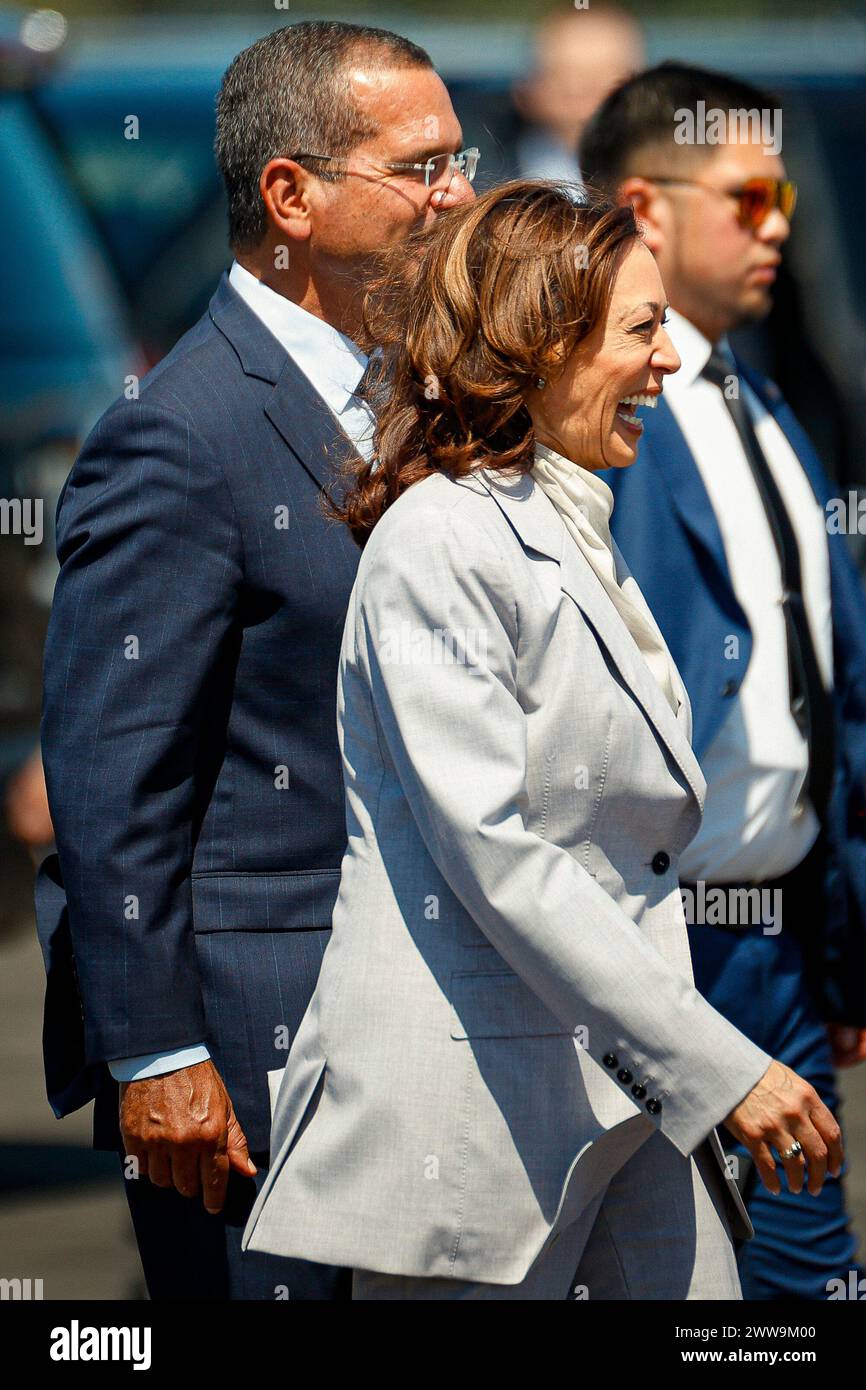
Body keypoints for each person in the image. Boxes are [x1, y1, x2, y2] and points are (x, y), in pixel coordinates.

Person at [242, 181, 842, 1300]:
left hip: (625, 1094)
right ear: (536, 343)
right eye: (638, 329)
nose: (668, 361)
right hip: (480, 1124)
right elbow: (497, 854)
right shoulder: (441, 540)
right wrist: (716, 1063)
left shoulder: (565, 513)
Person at [35, 19, 475, 1301]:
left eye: (460, 158)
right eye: (420, 166)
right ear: (290, 194)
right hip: (250, 1040)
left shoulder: (399, 394)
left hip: (406, 1012)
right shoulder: (179, 437)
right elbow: (115, 776)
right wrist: (158, 1049)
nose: (456, 195)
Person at [581, 62, 866, 1300]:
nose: (779, 223)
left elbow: (824, 693)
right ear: (644, 208)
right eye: (748, 198)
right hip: (649, 956)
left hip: (782, 947)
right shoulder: (593, 411)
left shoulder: (760, 401)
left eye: (784, 195)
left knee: (799, 1291)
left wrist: (839, 945)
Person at [506, 3, 644, 185]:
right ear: (530, 89)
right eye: (566, 75)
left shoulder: (672, 182)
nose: (584, 99)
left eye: (604, 76)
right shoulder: (476, 184)